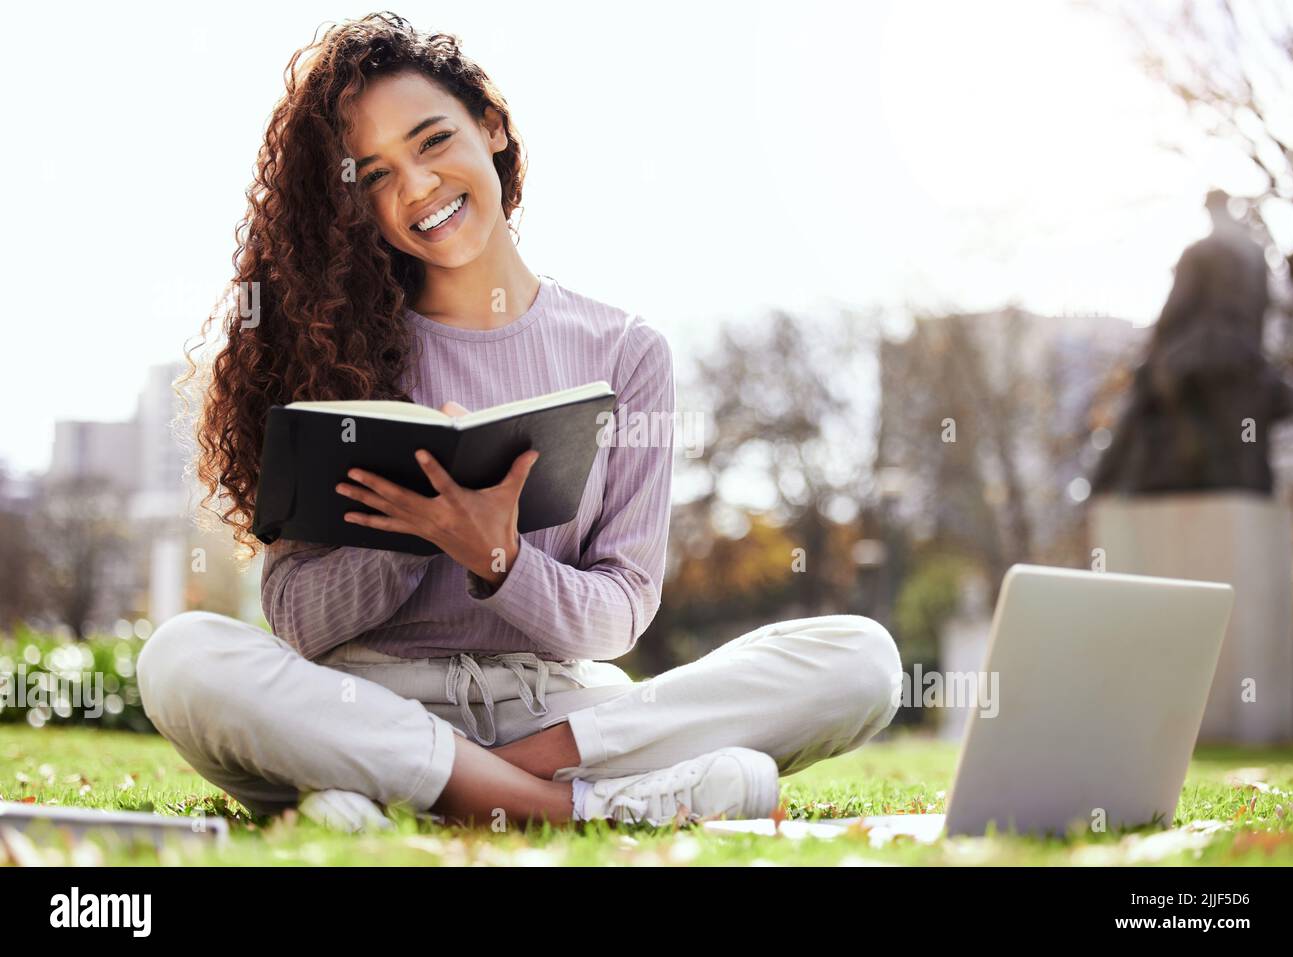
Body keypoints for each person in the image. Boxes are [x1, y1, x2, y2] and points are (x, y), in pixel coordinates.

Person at [138, 12, 902, 832]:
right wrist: (418, 531)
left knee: (861, 660)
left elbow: (620, 611)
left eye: (432, 142)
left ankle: (447, 793)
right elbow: (293, 618)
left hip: (564, 716)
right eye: (376, 174)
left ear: (491, 125)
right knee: (182, 660)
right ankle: (575, 809)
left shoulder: (625, 351)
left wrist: (499, 561)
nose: (417, 188)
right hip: (372, 699)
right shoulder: (336, 353)